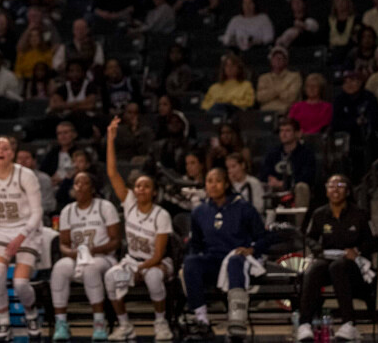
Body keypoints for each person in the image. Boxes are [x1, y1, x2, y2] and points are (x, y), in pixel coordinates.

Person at [105, 117, 174, 342]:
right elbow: (112, 173)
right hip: (133, 262)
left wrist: (140, 268)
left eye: (146, 186)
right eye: (138, 186)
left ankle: (161, 323)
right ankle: (125, 325)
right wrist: (110, 140)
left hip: (156, 264)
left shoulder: (161, 215)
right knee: (111, 277)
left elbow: (158, 255)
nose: (141, 189)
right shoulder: (129, 204)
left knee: (153, 277)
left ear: (154, 192)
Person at [182, 168, 269, 339]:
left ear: (226, 184)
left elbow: (264, 238)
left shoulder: (244, 207)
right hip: (213, 260)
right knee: (191, 262)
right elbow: (196, 244)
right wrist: (188, 267)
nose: (213, 185)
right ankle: (201, 320)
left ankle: (237, 321)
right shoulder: (199, 211)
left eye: (218, 181)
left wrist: (252, 249)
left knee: (235, 261)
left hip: (238, 258)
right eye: (209, 181)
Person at [0, 136, 44, 341]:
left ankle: (31, 314)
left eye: (5, 148)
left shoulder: (26, 175)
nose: (1, 151)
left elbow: (37, 212)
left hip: (26, 230)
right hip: (0, 230)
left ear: (12, 154)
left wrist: (20, 238)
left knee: (20, 283)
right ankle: (3, 322)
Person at [297, 175, 378, 342]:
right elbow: (308, 238)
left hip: (354, 267)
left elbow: (374, 242)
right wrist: (317, 248)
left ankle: (349, 323)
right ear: (326, 191)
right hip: (328, 261)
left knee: (338, 266)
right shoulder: (319, 214)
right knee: (315, 268)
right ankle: (304, 324)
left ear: (347, 191)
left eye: (340, 185)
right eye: (331, 186)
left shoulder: (360, 214)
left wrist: (357, 250)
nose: (335, 189)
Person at [51, 172, 122, 342]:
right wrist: (74, 253)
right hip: (78, 257)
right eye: (77, 183)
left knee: (91, 268)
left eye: (85, 183)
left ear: (93, 188)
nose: (80, 187)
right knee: (59, 268)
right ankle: (61, 323)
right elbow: (63, 244)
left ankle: (99, 323)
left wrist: (92, 250)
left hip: (104, 257)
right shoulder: (67, 211)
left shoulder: (105, 207)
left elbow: (116, 241)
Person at [260, 119, 318, 209]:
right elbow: (264, 172)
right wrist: (270, 179)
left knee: (302, 187)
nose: (283, 134)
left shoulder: (306, 154)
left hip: (295, 190)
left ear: (297, 133)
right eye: (281, 131)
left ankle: (299, 217)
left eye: (287, 131)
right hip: (275, 190)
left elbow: (307, 177)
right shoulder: (273, 153)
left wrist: (285, 184)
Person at [256, 46, 301, 114]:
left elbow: (291, 97)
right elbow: (260, 97)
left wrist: (270, 93)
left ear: (286, 61)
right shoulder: (263, 78)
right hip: (266, 112)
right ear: (271, 61)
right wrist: (281, 90)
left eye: (280, 58)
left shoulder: (295, 76)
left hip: (287, 113)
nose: (278, 60)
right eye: (275, 58)